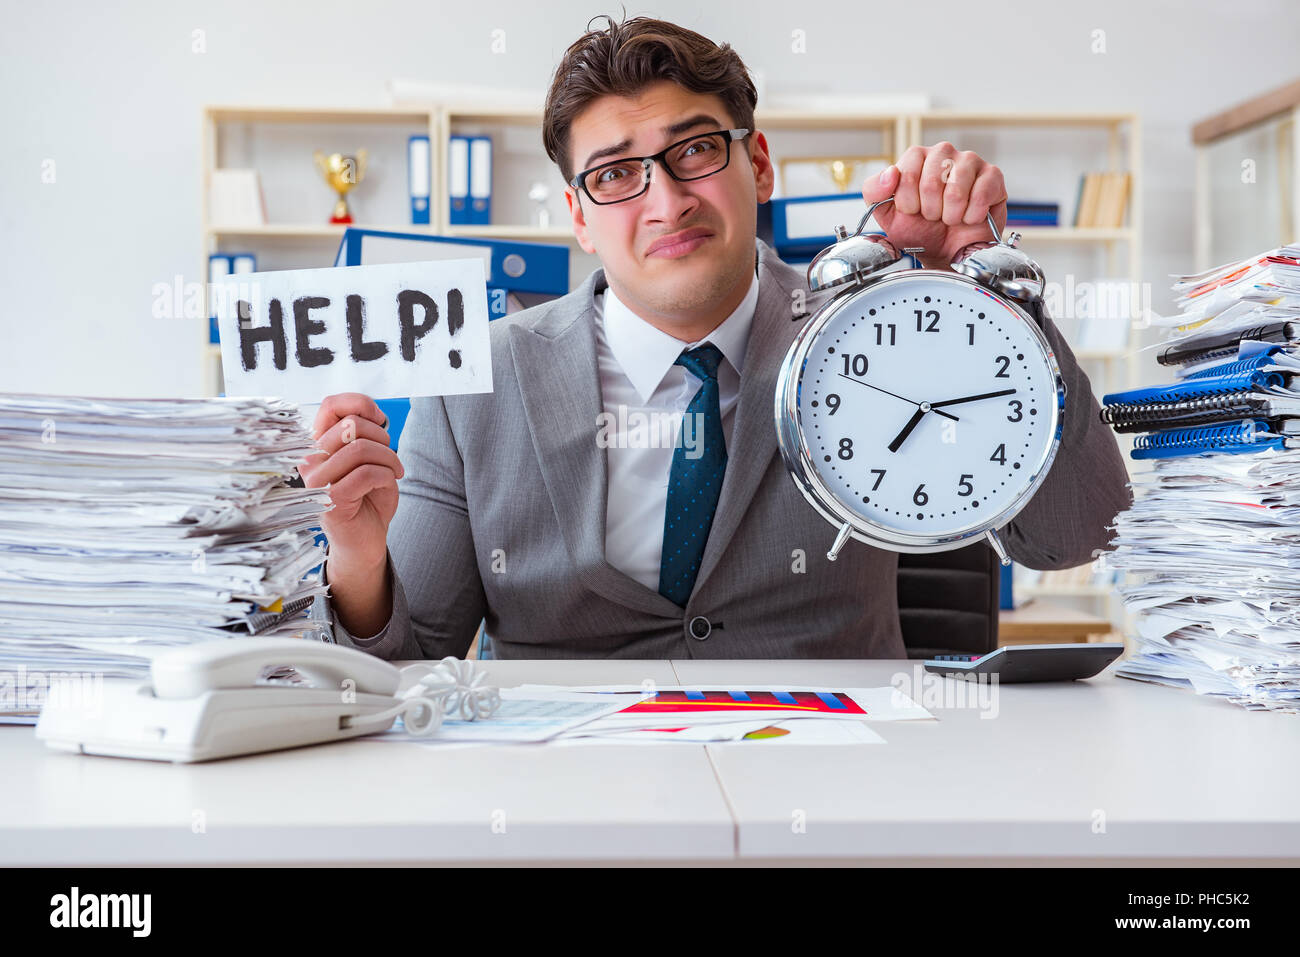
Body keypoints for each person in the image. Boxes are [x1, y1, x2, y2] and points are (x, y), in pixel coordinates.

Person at [299, 14, 1132, 660]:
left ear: (758, 166)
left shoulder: (881, 328)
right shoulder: (481, 379)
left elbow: (1075, 535)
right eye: (616, 174)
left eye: (694, 150)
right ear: (579, 219)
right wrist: (358, 559)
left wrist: (979, 292)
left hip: (835, 790)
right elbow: (407, 665)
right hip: (568, 803)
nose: (666, 203)